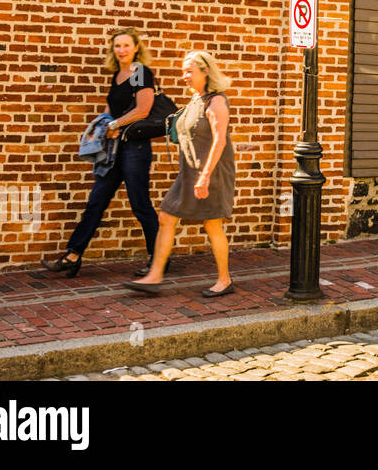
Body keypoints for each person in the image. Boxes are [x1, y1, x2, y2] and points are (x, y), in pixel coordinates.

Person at [41, 28, 161, 278]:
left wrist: (114, 125)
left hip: (134, 147)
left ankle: (159, 259)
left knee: (140, 205)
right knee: (96, 201)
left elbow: (143, 109)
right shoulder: (118, 74)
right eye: (117, 46)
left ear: (136, 47)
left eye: (126, 45)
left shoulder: (139, 72)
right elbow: (112, 107)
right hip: (115, 147)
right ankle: (73, 255)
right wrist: (103, 124)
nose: (122, 50)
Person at [126, 51, 236, 297]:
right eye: (183, 71)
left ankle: (224, 280)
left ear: (205, 71)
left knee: (212, 223)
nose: (184, 76)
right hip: (189, 171)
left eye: (189, 71)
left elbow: (219, 142)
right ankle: (154, 276)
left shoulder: (216, 102)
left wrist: (206, 176)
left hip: (212, 171)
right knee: (166, 216)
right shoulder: (196, 100)